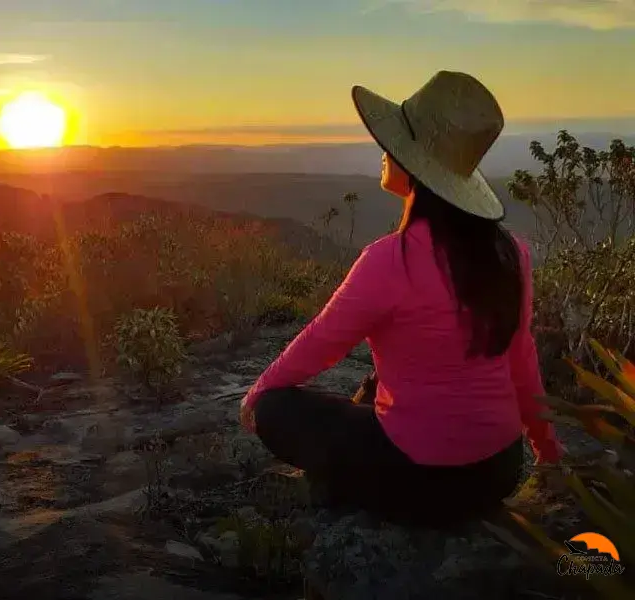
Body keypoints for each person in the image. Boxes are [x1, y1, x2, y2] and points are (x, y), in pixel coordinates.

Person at [238, 71, 564, 527]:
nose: (383, 151)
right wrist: (548, 450)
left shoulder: (389, 260)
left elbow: (322, 342)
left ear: (414, 167)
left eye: (394, 145)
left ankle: (337, 488)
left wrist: (257, 395)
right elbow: (521, 359)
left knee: (276, 409)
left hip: (418, 477)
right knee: (379, 381)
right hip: (497, 471)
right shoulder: (511, 254)